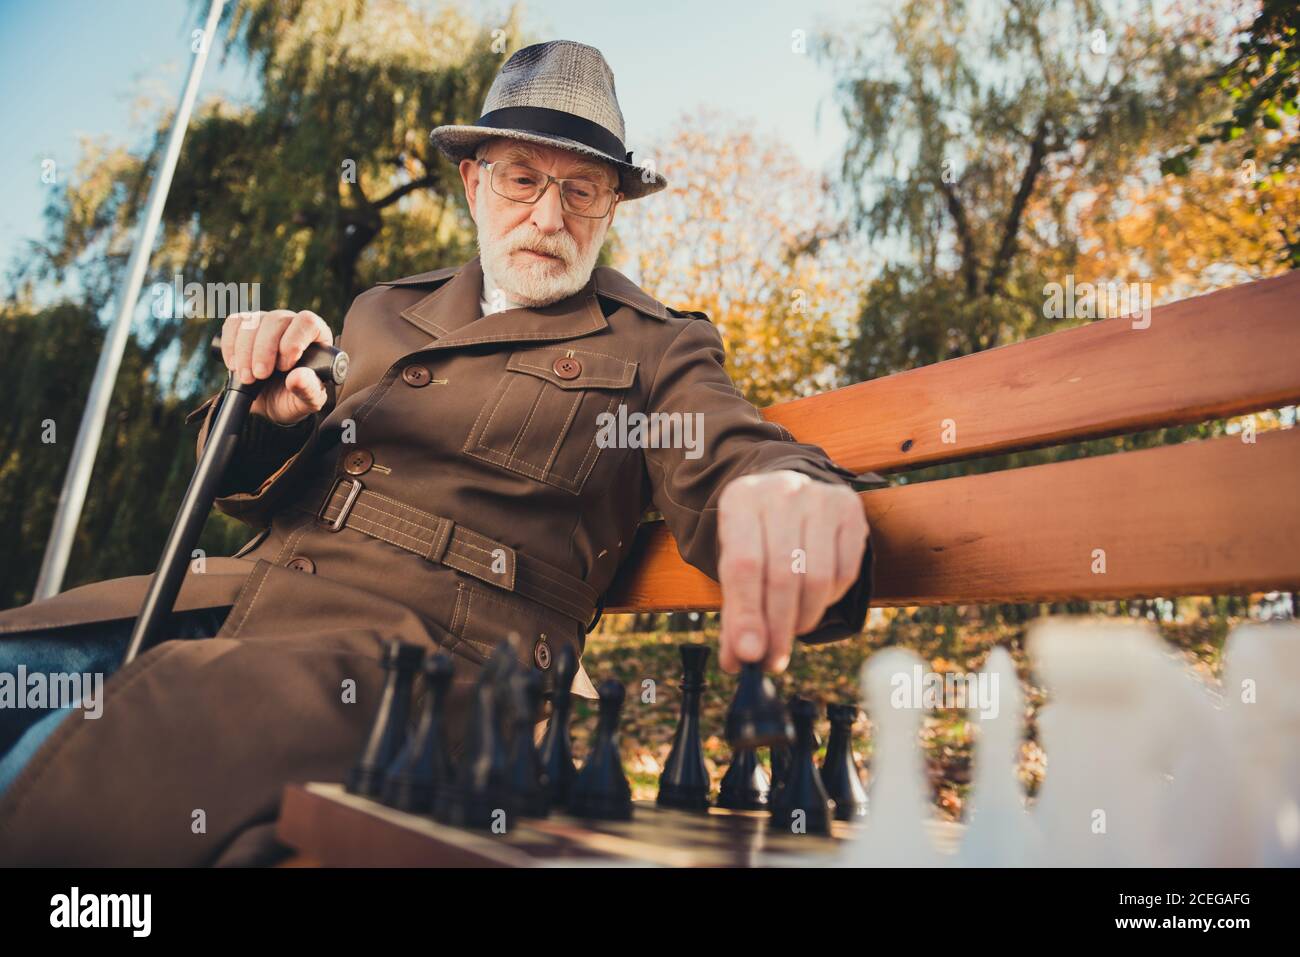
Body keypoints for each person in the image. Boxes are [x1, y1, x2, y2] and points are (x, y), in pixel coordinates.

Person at [0, 40, 874, 865]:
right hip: (227, 597)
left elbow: (727, 448)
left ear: (613, 204)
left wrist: (788, 488)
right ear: (472, 182)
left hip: (423, 664)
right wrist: (270, 409)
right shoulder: (381, 309)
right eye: (522, 179)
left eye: (582, 190)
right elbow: (230, 480)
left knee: (66, 780)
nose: (548, 215)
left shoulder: (654, 344)